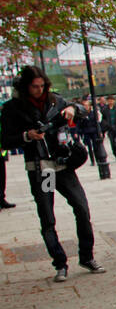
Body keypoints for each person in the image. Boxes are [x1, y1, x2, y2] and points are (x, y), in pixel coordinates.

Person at [0, 67, 104, 280]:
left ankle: (86, 256)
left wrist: (74, 110)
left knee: (82, 208)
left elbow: (82, 110)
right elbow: (6, 141)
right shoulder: (13, 108)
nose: (39, 90)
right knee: (47, 216)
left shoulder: (55, 101)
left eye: (42, 86)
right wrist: (26, 136)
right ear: (25, 86)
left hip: (63, 166)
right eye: (34, 87)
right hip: (42, 169)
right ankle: (60, 262)